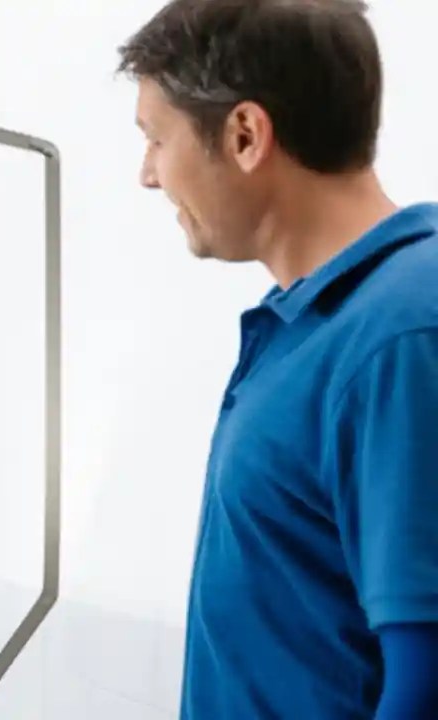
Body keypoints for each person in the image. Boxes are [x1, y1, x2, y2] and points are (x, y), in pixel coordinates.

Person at [116, 1, 438, 718]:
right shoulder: (317, 324)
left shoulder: (403, 333)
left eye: (156, 139)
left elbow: (427, 678)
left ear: (244, 134)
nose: (147, 175)